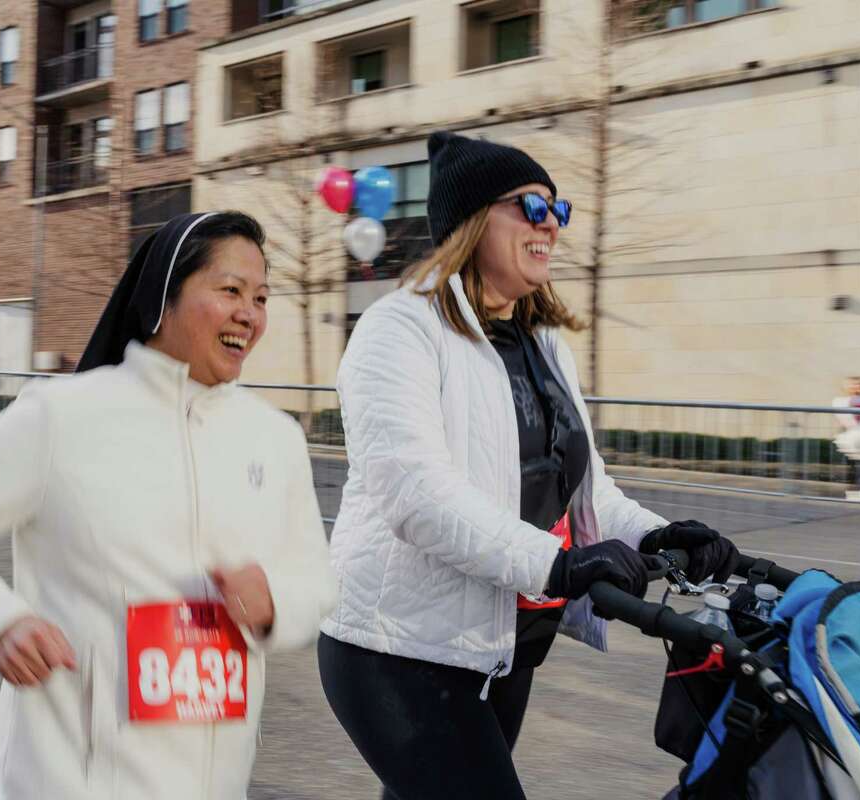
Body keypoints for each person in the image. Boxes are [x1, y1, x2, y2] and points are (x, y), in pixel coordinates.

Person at [317, 131, 741, 800]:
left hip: (504, 646)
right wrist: (559, 566)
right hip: (398, 648)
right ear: (471, 220)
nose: (552, 225)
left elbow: (584, 492)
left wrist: (654, 535)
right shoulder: (398, 330)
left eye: (558, 209)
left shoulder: (543, 345)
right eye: (532, 207)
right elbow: (416, 495)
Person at [0, 211, 336, 800]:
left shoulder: (275, 438)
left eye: (260, 298)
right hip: (69, 780)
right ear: (162, 299)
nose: (249, 315)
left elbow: (316, 581)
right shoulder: (62, 416)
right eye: (230, 290)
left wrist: (274, 602)